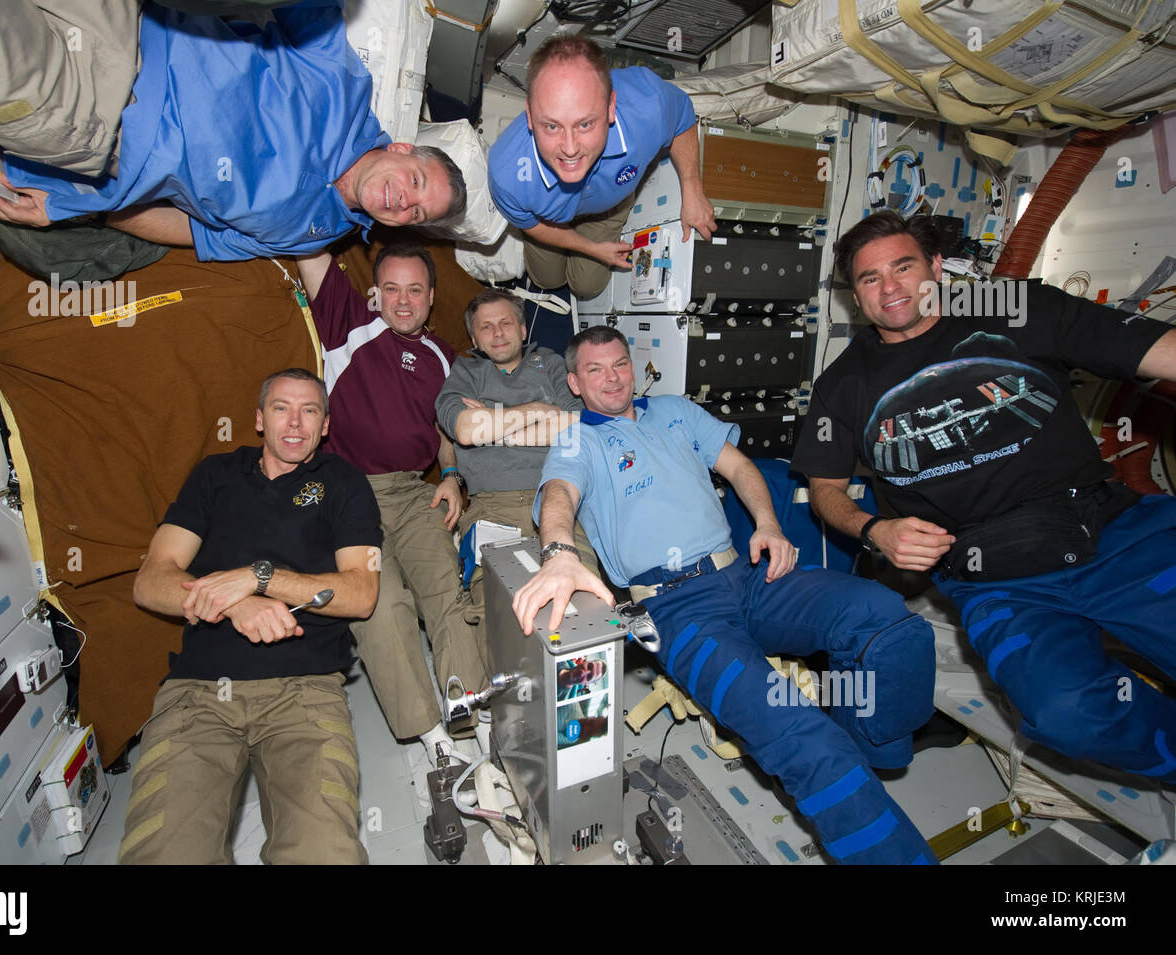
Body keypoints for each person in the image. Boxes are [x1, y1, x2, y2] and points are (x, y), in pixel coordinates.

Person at [512, 325, 940, 864]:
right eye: (595, 370)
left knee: (885, 616)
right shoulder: (578, 440)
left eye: (619, 363)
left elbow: (738, 466)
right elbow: (559, 494)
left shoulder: (673, 410)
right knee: (799, 733)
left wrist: (769, 525)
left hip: (746, 574)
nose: (612, 377)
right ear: (574, 382)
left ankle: (871, 752)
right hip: (677, 608)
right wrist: (558, 554)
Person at [791, 210, 1176, 783]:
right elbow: (822, 487)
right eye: (870, 278)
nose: (890, 287)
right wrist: (875, 531)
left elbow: (1160, 351)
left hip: (1109, 532)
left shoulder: (1018, 311)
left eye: (903, 266)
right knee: (1070, 716)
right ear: (855, 295)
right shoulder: (842, 384)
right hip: (993, 577)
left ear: (936, 267)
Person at [0, 1, 466, 261]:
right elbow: (311, 10)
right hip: (137, 41)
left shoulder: (310, 237)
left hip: (101, 150)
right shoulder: (347, 85)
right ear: (403, 149)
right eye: (417, 183)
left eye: (417, 213)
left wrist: (89, 210)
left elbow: (193, 231)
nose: (404, 203)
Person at [120, 368, 382, 864]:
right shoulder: (214, 475)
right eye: (282, 407)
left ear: (325, 425)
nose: (295, 423)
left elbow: (361, 593)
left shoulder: (345, 484)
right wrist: (236, 602)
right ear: (259, 418)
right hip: (198, 692)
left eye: (310, 411)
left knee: (325, 854)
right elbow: (151, 581)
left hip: (304, 690)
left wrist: (259, 577)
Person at [296, 245, 489, 768]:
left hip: (412, 491)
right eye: (393, 289)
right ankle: (429, 733)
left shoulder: (445, 357)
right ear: (375, 293)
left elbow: (443, 430)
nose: (403, 302)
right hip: (347, 493)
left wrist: (450, 475)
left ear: (431, 298)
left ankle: (468, 706)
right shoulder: (347, 322)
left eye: (416, 290)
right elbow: (307, 250)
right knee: (382, 603)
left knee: (447, 586)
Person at [487, 35, 716, 298]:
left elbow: (683, 117)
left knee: (587, 288)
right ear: (530, 117)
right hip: (547, 219)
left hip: (606, 208)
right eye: (552, 126)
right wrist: (589, 247)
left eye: (585, 124)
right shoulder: (506, 176)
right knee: (545, 280)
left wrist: (692, 189)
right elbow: (530, 223)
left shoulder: (648, 105)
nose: (570, 149)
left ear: (610, 108)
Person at [434, 288, 598, 624]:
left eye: (506, 323)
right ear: (474, 338)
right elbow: (465, 430)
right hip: (491, 505)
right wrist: (541, 409)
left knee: (583, 607)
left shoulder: (552, 365)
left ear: (523, 331)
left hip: (557, 496)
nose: (497, 333)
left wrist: (494, 424)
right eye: (486, 327)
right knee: (496, 611)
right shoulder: (464, 372)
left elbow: (581, 424)